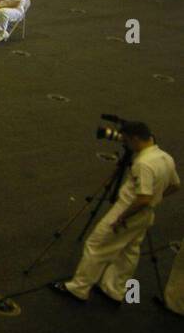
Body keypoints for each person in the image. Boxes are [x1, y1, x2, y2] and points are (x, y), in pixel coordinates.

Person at [53, 123, 178, 304]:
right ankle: (114, 290)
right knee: (129, 252)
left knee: (96, 245)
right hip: (146, 214)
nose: (126, 145)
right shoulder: (166, 158)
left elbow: (142, 198)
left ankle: (78, 288)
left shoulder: (144, 164)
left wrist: (122, 217)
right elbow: (175, 185)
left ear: (135, 138)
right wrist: (155, 199)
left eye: (127, 140)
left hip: (129, 211)